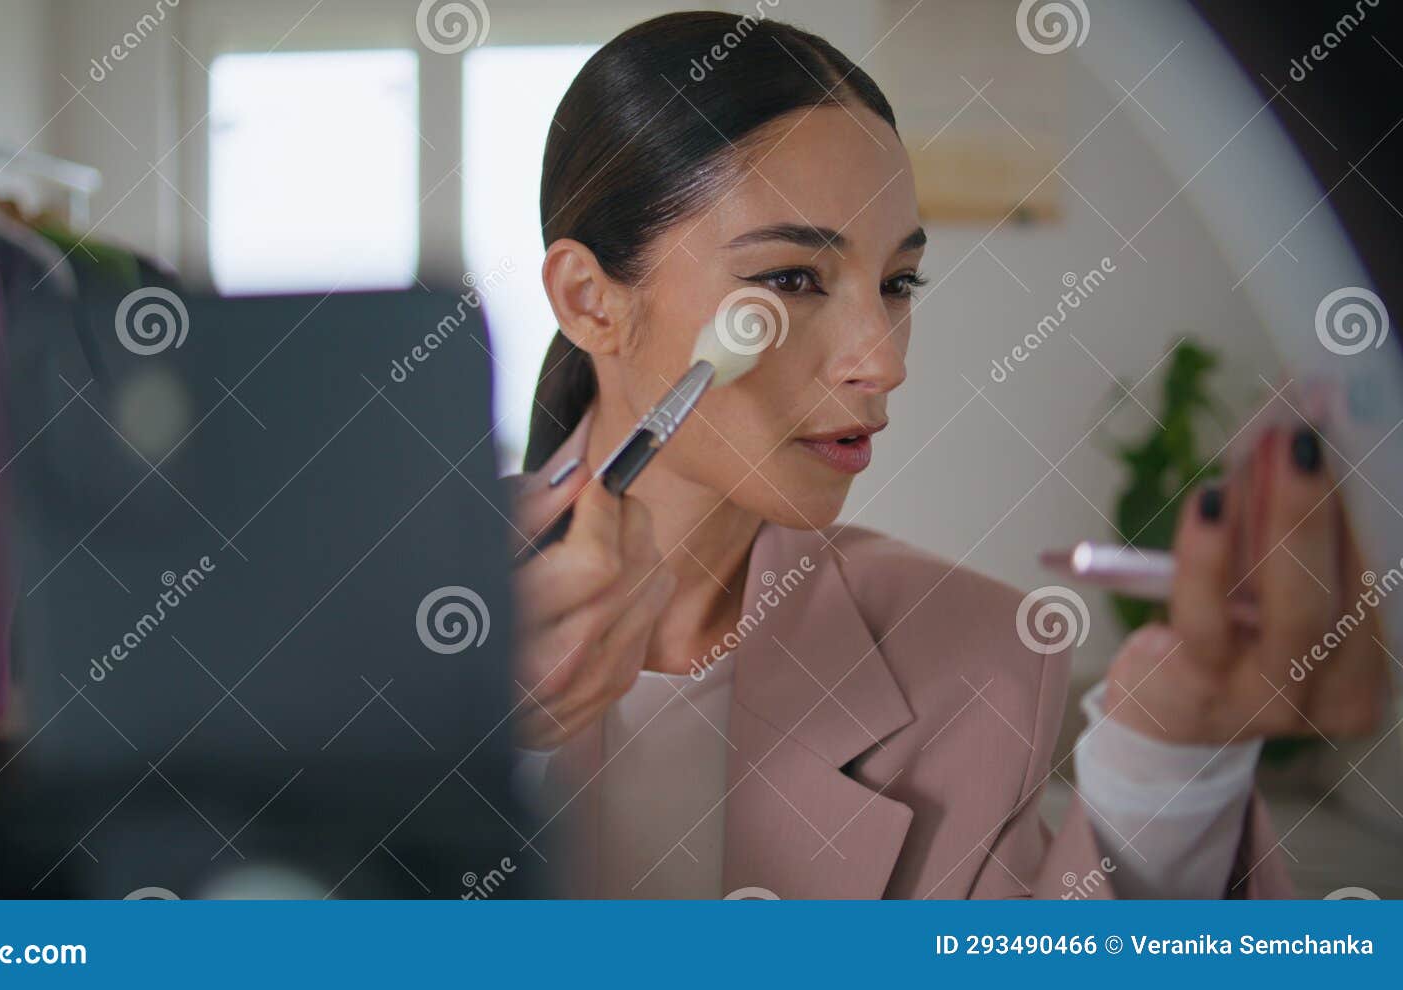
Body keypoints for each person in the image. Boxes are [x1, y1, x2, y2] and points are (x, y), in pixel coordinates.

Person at [503, 11, 1388, 899]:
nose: (883, 361)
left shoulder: (979, 659)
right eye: (791, 279)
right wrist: (460, 744)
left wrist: (1166, 767)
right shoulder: (426, 619)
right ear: (590, 302)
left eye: (897, 284)